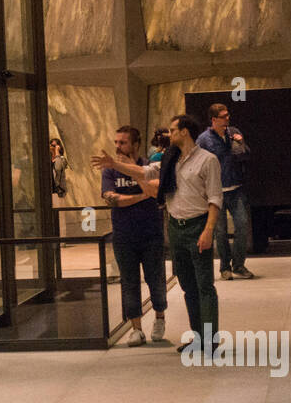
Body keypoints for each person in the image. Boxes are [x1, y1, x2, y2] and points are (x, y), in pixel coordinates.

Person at [91, 126, 166, 345]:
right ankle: (136, 328)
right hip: (124, 234)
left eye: (123, 143)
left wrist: (136, 175)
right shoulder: (110, 170)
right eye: (116, 142)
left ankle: (160, 317)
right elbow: (112, 199)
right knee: (129, 281)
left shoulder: (149, 166)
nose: (118, 147)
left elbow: (156, 190)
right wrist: (144, 195)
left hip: (151, 232)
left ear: (135, 145)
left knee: (156, 279)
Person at [159, 114, 222, 354]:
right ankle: (198, 338)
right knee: (188, 286)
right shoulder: (171, 159)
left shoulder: (208, 160)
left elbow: (215, 199)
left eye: (173, 130)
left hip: (198, 226)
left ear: (184, 132)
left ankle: (211, 340)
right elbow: (146, 172)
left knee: (204, 285)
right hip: (176, 227)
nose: (169, 134)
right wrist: (115, 165)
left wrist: (208, 231)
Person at [196, 104, 253, 281]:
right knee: (219, 231)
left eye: (228, 115)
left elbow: (247, 155)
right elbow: (198, 163)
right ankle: (224, 267)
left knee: (242, 225)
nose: (227, 119)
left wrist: (240, 143)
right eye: (223, 116)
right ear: (214, 120)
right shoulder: (204, 139)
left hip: (235, 189)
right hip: (215, 192)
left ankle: (239, 265)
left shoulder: (233, 132)